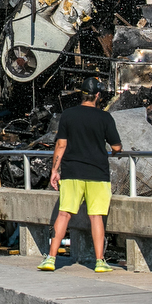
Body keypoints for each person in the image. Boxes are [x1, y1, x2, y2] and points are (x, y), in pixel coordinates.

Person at [38, 76, 122, 274]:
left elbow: (61, 145)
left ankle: (51, 258)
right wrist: (114, 151)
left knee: (64, 214)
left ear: (81, 94)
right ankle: (100, 261)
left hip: (72, 172)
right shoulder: (105, 117)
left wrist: (54, 170)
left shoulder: (68, 115)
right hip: (97, 173)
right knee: (96, 217)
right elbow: (116, 147)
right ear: (98, 95)